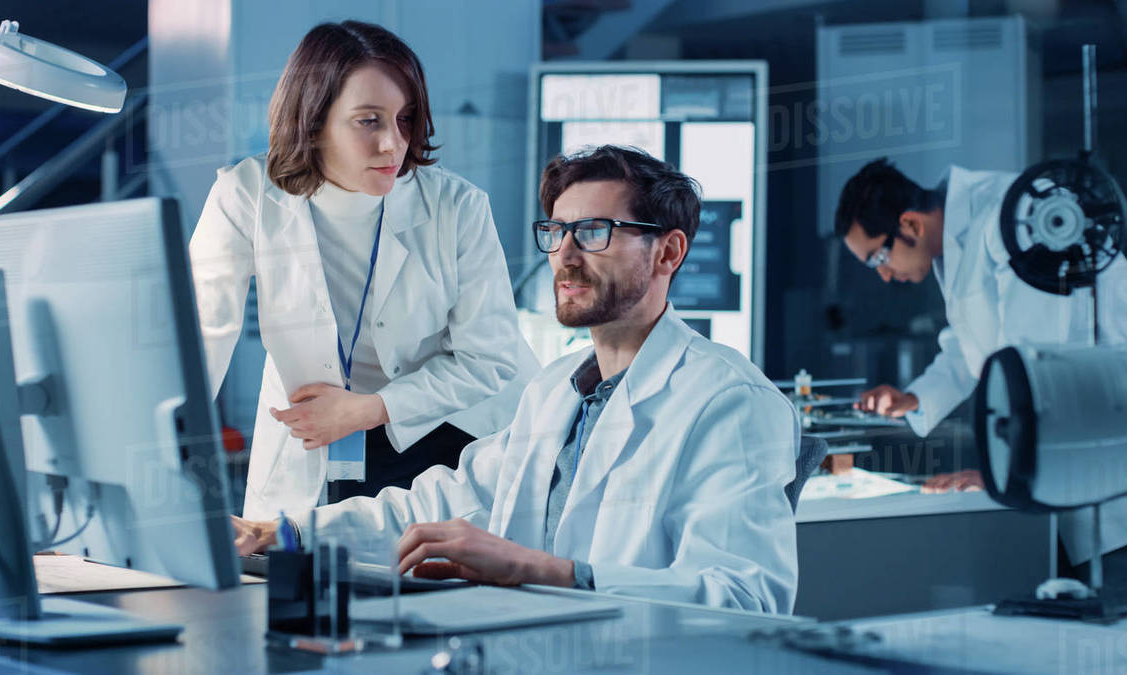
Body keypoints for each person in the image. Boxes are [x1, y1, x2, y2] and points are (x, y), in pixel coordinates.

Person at [231, 145, 800, 612]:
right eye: (557, 232)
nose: (566, 256)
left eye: (595, 231)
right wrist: (280, 534)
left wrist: (544, 572)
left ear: (668, 253)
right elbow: (438, 503)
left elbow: (746, 598)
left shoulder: (731, 402)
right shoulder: (554, 392)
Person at [189, 21, 539, 521]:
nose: (393, 145)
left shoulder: (457, 206)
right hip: (316, 433)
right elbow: (200, 335)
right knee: (296, 574)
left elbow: (490, 360)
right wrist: (161, 462)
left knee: (429, 580)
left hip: (452, 430)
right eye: (368, 121)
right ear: (313, 121)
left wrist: (368, 408)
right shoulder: (246, 195)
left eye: (405, 119)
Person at [836, 157, 1127, 578]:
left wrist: (998, 475)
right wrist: (915, 398)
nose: (883, 275)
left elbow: (1040, 363)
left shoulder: (1014, 215)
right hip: (1066, 468)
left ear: (910, 225)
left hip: (1110, 458)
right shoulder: (954, 239)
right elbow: (971, 346)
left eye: (876, 258)